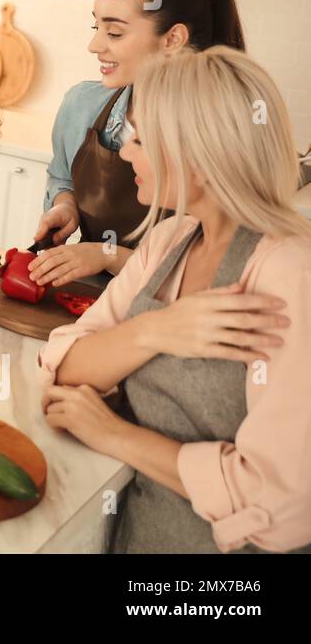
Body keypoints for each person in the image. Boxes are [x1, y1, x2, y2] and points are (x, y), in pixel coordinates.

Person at [39, 46, 310, 553]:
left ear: (199, 155)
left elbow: (282, 504)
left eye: (139, 137)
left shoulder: (290, 273)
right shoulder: (170, 242)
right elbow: (66, 364)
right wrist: (155, 330)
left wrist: (115, 436)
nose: (124, 152)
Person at [29, 0, 245, 288]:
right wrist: (66, 204)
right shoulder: (81, 105)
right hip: (80, 300)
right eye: (96, 27)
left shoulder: (215, 135)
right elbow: (62, 177)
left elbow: (209, 273)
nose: (95, 45)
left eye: (114, 32)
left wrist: (108, 255)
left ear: (172, 39)